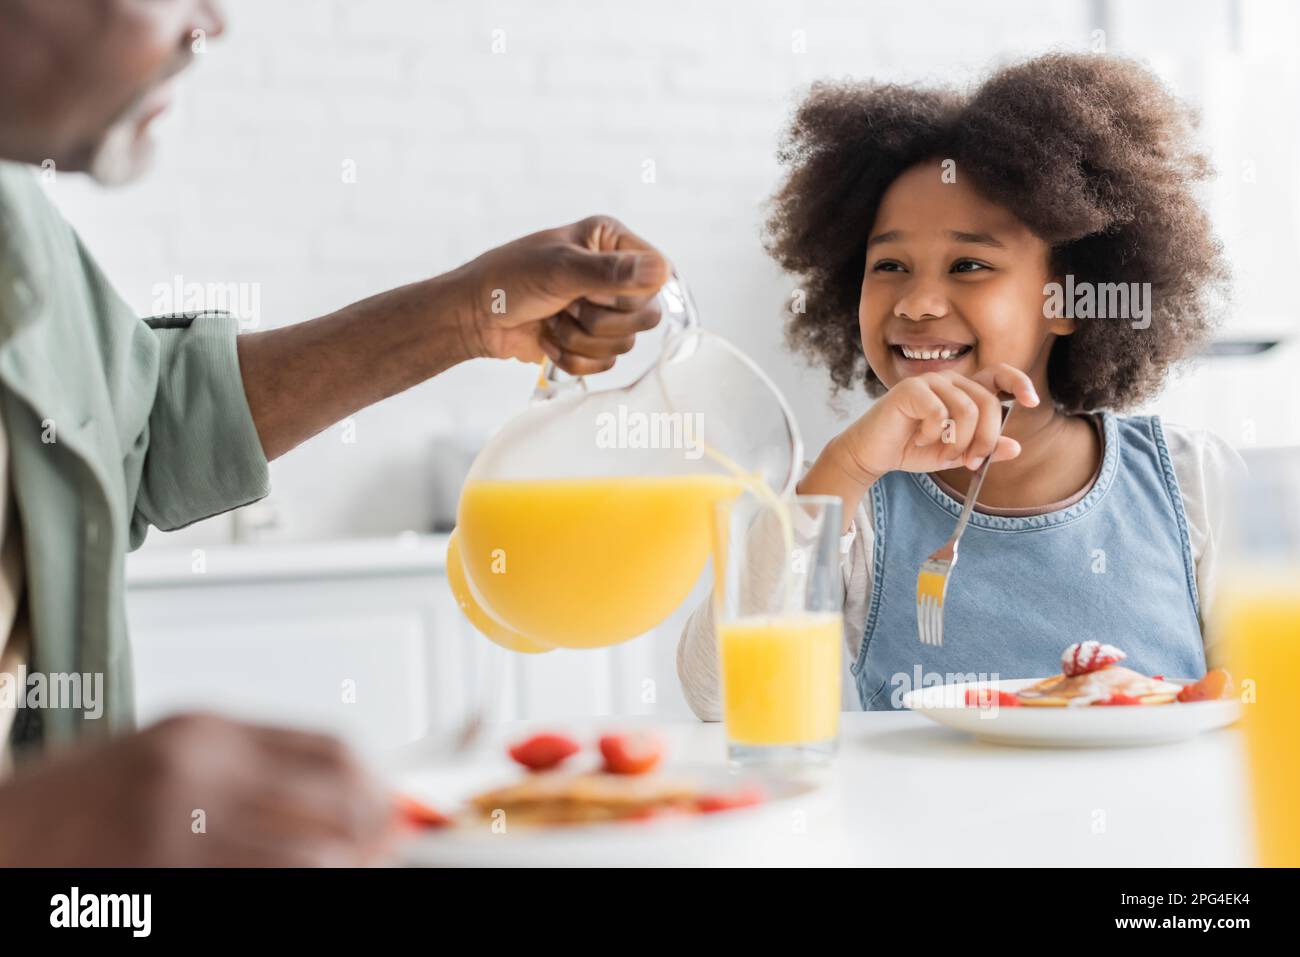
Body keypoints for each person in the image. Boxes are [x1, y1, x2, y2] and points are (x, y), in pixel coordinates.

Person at [0, 0, 669, 865]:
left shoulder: (19, 218)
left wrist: (464, 316)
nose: (209, 23)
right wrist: (34, 827)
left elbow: (127, 432)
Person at [679, 53, 1247, 717]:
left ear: (1067, 298)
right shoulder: (853, 504)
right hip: (920, 823)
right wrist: (843, 469)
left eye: (969, 264)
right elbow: (716, 694)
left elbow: (1268, 699)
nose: (918, 303)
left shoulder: (1192, 480)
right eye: (888, 264)